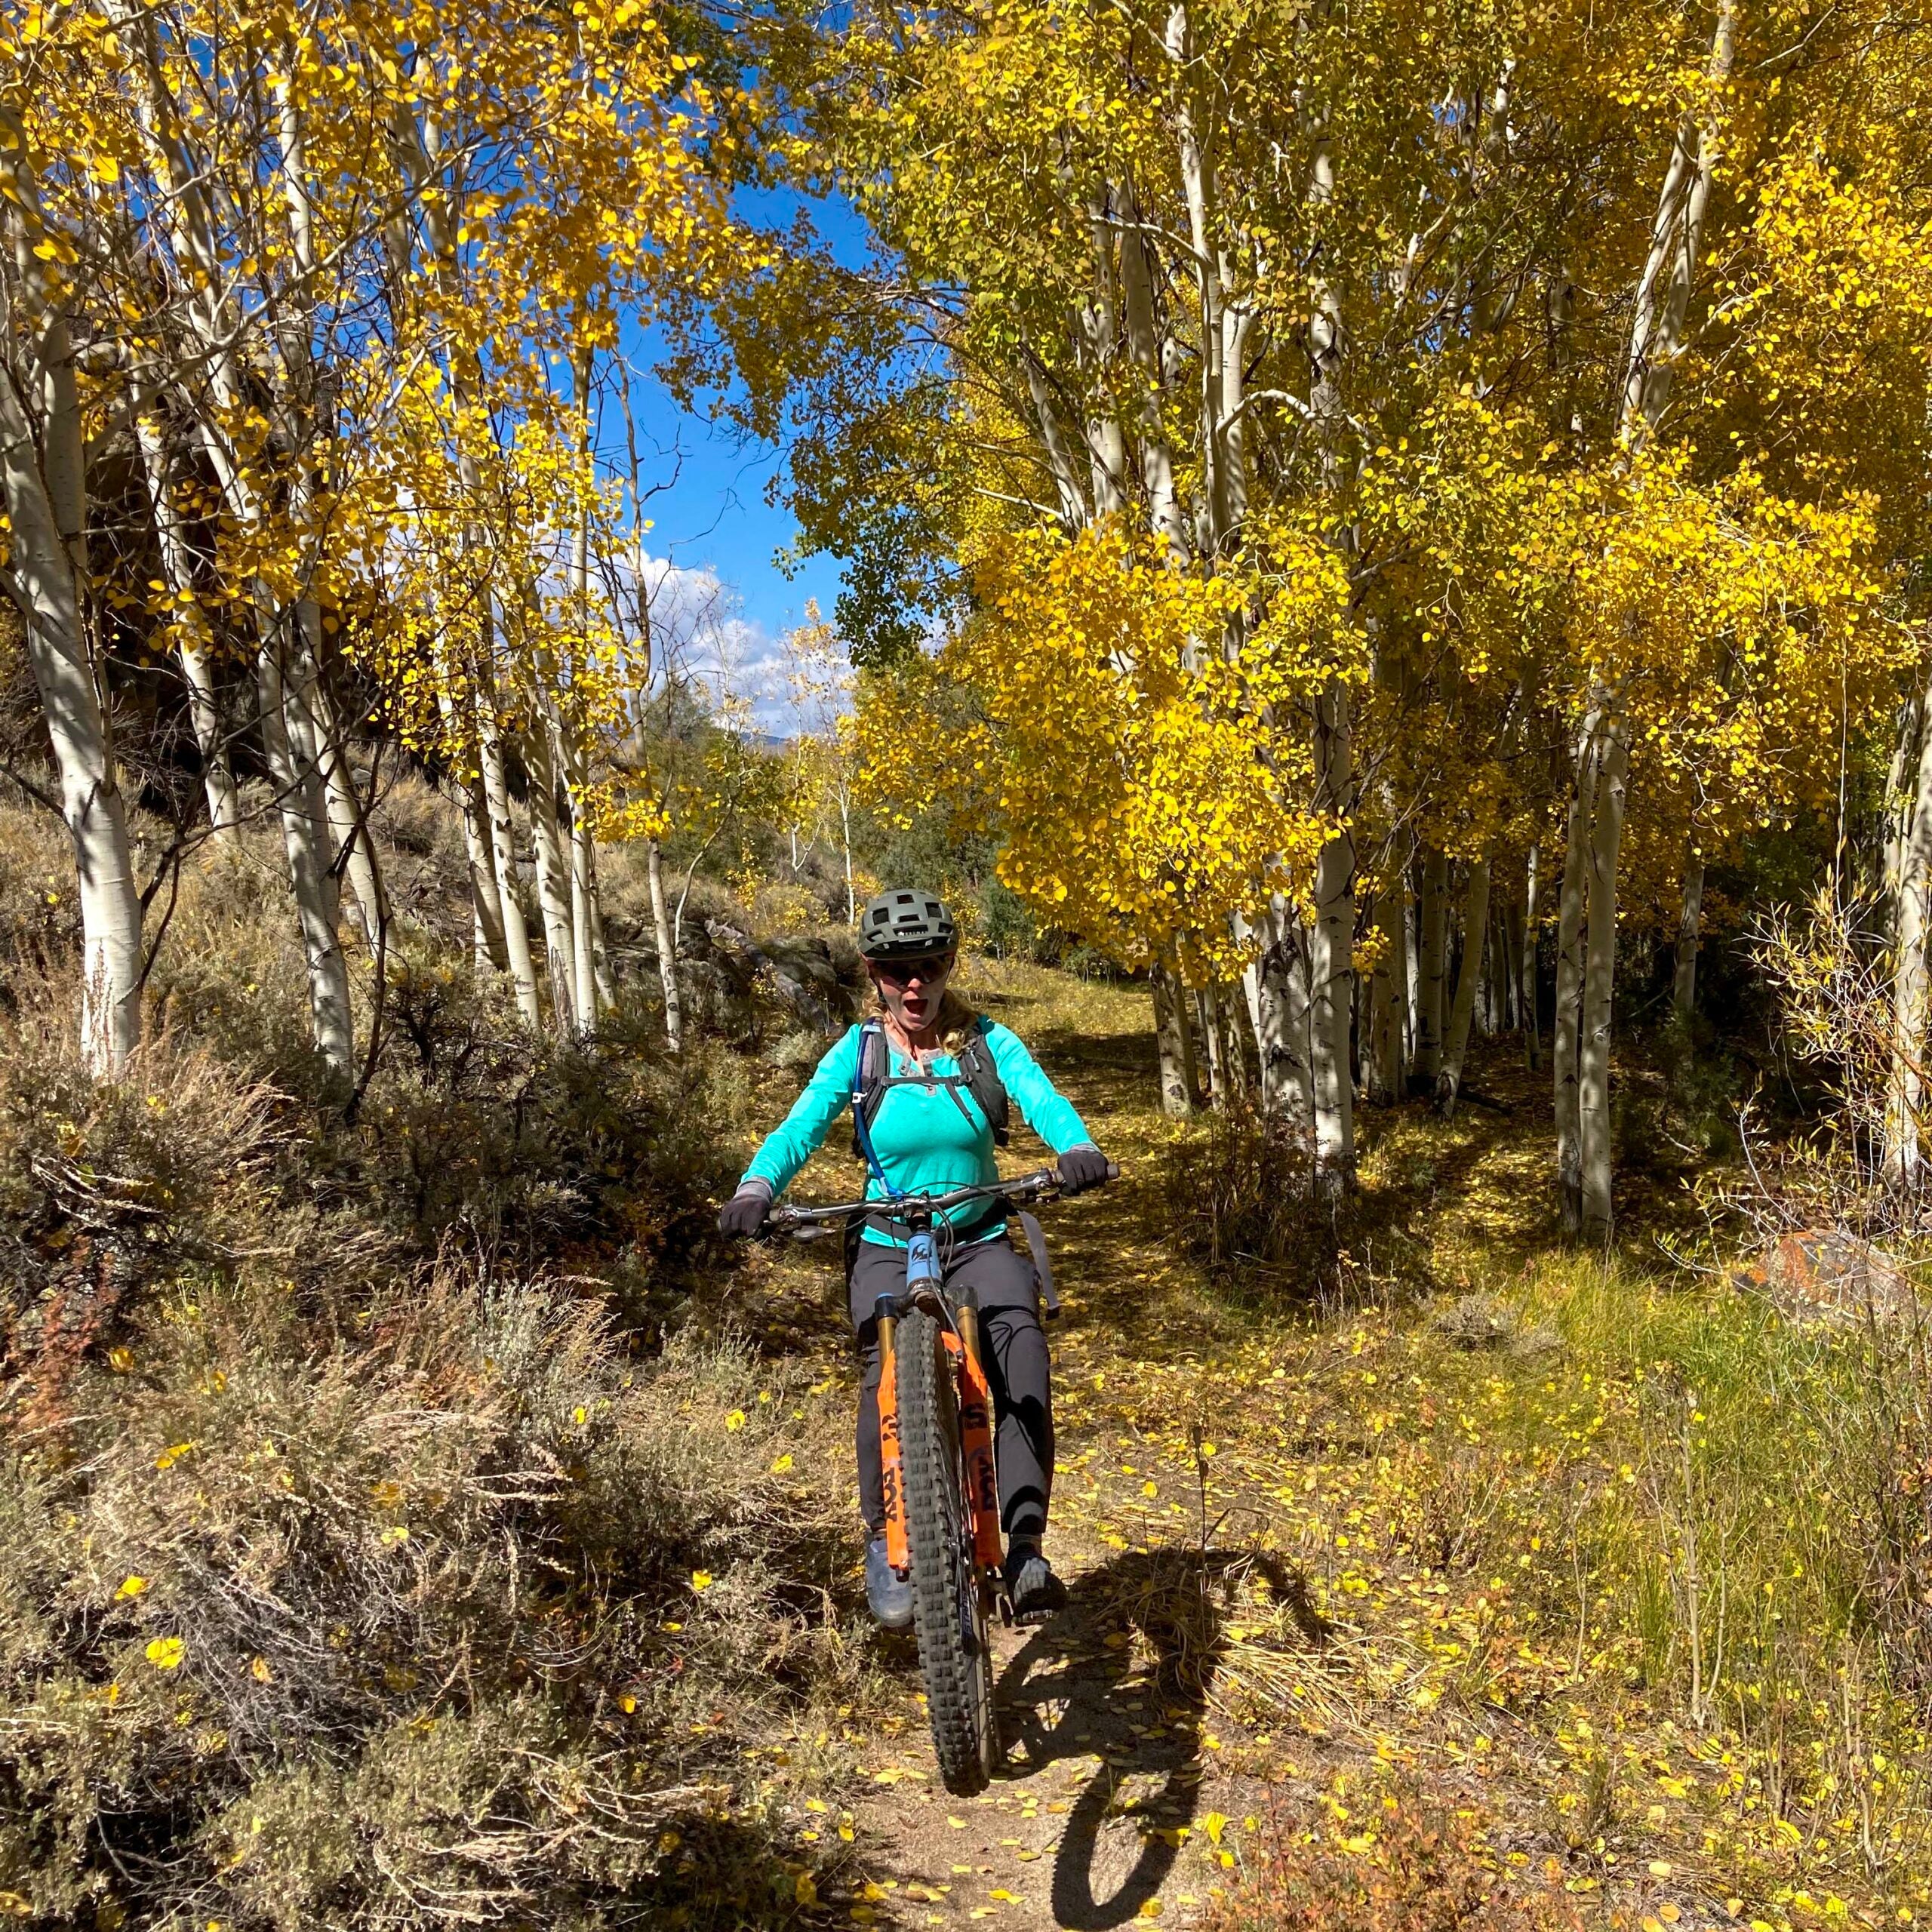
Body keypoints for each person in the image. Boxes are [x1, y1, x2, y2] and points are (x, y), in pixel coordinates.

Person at [718, 887, 1112, 1628]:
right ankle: (886, 1542)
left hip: (978, 1233)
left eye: (929, 967)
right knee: (883, 1378)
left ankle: (1024, 1547)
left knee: (1021, 1350)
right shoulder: (859, 1052)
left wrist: (1076, 1146)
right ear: (873, 972)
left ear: (948, 965)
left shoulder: (987, 1043)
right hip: (888, 1241)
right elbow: (799, 1127)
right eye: (898, 970)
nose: (914, 985)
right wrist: (757, 1187)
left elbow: (1041, 1098)